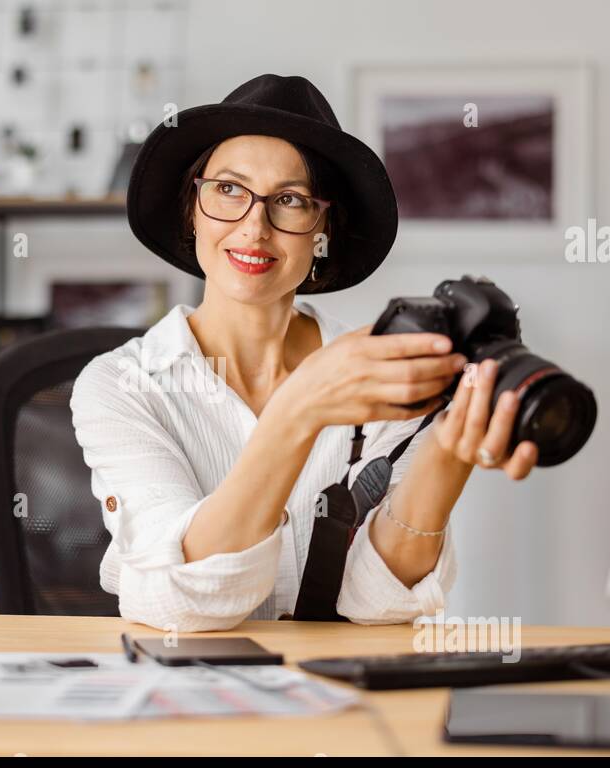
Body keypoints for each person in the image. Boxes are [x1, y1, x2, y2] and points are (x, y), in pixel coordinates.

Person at [71, 75, 537, 632]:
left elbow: (374, 603)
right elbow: (186, 604)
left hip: (335, 692)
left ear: (321, 231)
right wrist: (302, 407)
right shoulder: (120, 384)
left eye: (289, 200)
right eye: (227, 189)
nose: (254, 226)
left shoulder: (376, 368)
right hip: (182, 694)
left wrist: (445, 451)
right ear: (191, 208)